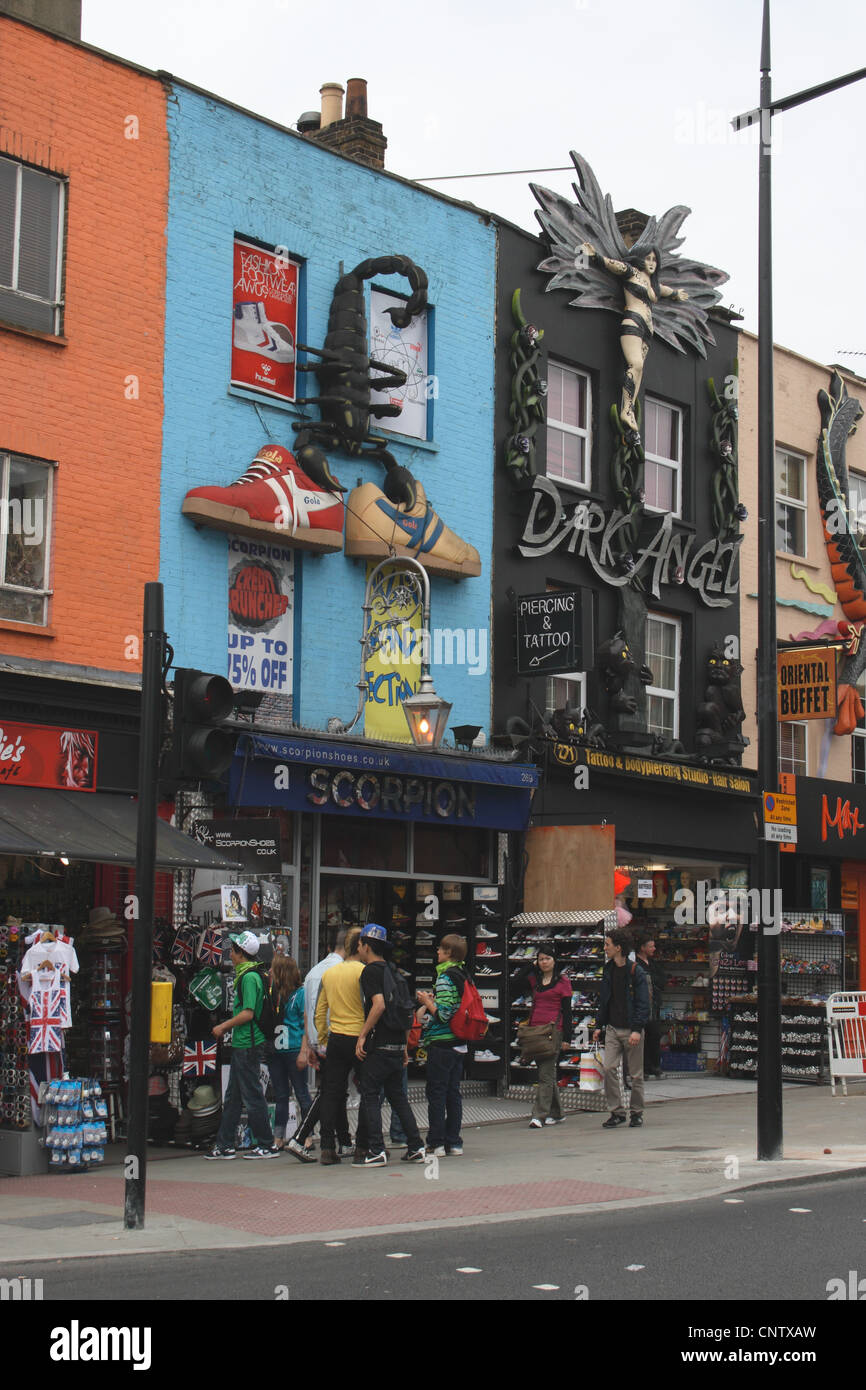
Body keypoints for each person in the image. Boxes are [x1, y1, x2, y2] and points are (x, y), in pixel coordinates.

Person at [579, 241, 687, 441]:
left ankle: (628, 409)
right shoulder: (632, 272)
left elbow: (663, 290)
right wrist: (595, 256)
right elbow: (613, 265)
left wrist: (676, 295)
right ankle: (626, 409)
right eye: (648, 258)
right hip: (633, 322)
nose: (652, 263)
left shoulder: (652, 283)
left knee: (639, 371)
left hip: (648, 331)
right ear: (641, 258)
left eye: (655, 259)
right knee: (634, 364)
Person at [353, 925, 425, 1168]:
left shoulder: (370, 972)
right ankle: (416, 1146)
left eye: (360, 945)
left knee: (370, 1095)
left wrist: (362, 1035)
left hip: (380, 1045)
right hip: (396, 1045)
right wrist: (404, 1046)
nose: (358, 949)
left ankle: (376, 1150)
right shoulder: (395, 972)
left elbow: (379, 1005)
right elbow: (406, 1011)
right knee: (398, 1097)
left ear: (366, 946)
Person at [207, 931, 279, 1159]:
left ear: (241, 954)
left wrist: (223, 1027)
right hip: (245, 1042)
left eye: (234, 949)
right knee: (234, 1097)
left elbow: (248, 1013)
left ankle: (266, 1144)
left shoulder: (248, 978)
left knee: (251, 1095)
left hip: (248, 1043)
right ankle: (225, 1144)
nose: (231, 952)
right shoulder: (249, 975)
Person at [285, 926, 352, 1163]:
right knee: (330, 1091)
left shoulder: (314, 971)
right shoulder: (341, 972)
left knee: (335, 1090)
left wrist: (309, 1044)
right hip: (335, 1037)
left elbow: (308, 1012)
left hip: (319, 1038)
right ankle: (300, 1137)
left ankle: (343, 1141)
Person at [313, 927, 364, 1164]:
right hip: (360, 1036)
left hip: (336, 1036)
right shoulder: (364, 972)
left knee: (331, 1093)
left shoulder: (330, 974)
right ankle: (361, 1146)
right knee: (368, 1091)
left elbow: (319, 1011)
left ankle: (326, 1146)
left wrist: (323, 1037)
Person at [415, 934, 470, 1156]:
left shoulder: (445, 977)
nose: (437, 951)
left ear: (449, 953)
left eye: (441, 949)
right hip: (460, 1043)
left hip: (442, 1043)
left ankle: (436, 1142)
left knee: (437, 1093)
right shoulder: (464, 974)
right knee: (453, 1093)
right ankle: (454, 1141)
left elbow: (445, 1014)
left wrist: (427, 1002)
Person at [593, 927, 650, 1129]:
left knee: (635, 1074)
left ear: (618, 947)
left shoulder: (636, 971)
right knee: (608, 1068)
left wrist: (637, 1029)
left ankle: (636, 1112)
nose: (605, 948)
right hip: (612, 1028)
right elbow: (605, 1000)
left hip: (631, 1029)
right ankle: (616, 1111)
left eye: (607, 944)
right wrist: (599, 1025)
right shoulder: (608, 969)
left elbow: (644, 1003)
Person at [511, 942, 573, 1128]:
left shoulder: (563, 982)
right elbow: (515, 980)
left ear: (555, 961)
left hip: (554, 1031)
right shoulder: (535, 981)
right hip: (535, 1032)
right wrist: (531, 965)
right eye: (541, 959)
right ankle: (558, 1113)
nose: (544, 962)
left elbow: (568, 1012)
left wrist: (567, 1039)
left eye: (547, 958)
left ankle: (539, 1115)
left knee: (545, 1074)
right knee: (547, 1074)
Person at [265, 956, 313, 1150]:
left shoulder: (300, 994)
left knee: (301, 1093)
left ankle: (307, 1135)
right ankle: (279, 1136)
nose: (269, 972)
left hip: (293, 1049)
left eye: (273, 969)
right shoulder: (273, 993)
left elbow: (306, 1022)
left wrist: (304, 1050)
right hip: (276, 1049)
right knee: (281, 1094)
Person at [634, 929, 665, 1079]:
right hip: (641, 1005)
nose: (654, 949)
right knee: (642, 1037)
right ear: (642, 947)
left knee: (655, 1035)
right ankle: (645, 1067)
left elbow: (662, 980)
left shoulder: (653, 963)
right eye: (651, 946)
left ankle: (655, 1065)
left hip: (655, 1004)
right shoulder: (635, 964)